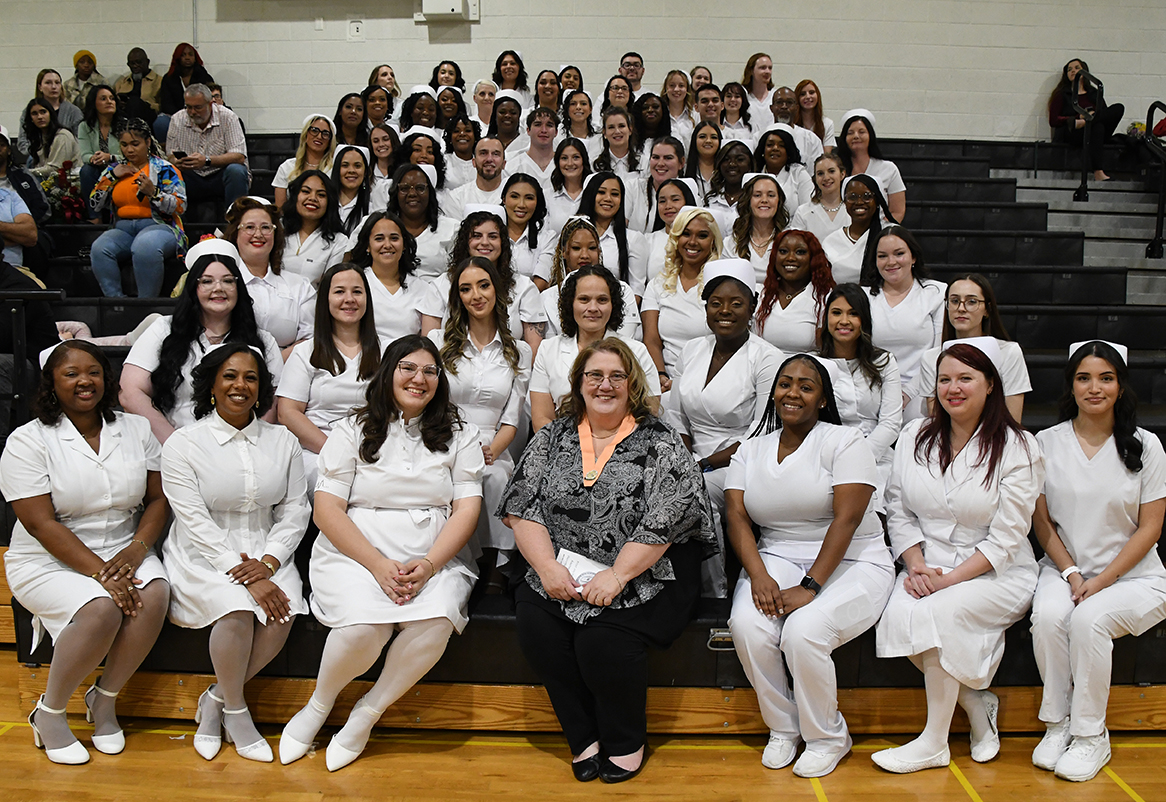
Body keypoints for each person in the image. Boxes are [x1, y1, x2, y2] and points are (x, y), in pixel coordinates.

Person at [499, 337, 716, 784]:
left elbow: (668, 518)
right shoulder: (552, 436)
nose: (605, 385)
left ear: (632, 384)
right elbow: (521, 507)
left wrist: (616, 575)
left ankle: (625, 740)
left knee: (602, 642)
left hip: (646, 571)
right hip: (557, 567)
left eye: (617, 376)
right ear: (578, 382)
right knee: (539, 629)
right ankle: (582, 737)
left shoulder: (661, 440)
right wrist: (547, 569)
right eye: (595, 375)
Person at [279, 335, 484, 771]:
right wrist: (376, 565)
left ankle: (367, 713)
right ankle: (318, 706)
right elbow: (327, 509)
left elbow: (468, 507)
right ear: (388, 372)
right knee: (363, 629)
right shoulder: (351, 429)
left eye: (430, 371)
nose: (419, 378)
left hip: (432, 551)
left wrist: (430, 565)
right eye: (408, 367)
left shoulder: (460, 431)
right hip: (357, 549)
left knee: (439, 617)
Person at [873, 341, 1042, 774]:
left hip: (999, 571)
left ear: (990, 386)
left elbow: (1007, 538)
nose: (953, 388)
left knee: (938, 615)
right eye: (945, 379)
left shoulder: (1019, 446)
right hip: (927, 564)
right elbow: (898, 508)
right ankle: (975, 701)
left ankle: (934, 742)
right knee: (896, 617)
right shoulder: (914, 436)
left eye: (965, 378)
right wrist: (914, 564)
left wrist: (946, 582)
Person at [1, 341, 170, 765]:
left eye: (93, 372)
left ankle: (105, 698)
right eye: (71, 373)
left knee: (156, 593)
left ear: (106, 378)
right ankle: (51, 712)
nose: (84, 381)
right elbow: (42, 524)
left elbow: (157, 500)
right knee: (101, 608)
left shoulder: (136, 429)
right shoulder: (28, 440)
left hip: (123, 547)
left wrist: (136, 548)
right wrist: (104, 575)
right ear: (51, 383)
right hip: (47, 557)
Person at [727, 352, 893, 777]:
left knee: (803, 633)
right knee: (748, 625)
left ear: (822, 399)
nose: (792, 392)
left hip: (855, 559)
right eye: (785, 383)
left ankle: (827, 737)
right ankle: (783, 727)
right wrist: (759, 574)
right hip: (777, 555)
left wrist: (811, 586)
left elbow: (848, 519)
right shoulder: (750, 449)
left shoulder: (845, 441)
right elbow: (738, 517)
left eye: (806, 385)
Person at [161, 343, 310, 765]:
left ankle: (216, 698)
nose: (240, 385)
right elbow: (193, 521)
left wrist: (270, 562)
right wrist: (246, 574)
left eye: (250, 377)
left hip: (267, 549)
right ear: (210, 384)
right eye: (229, 376)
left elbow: (296, 508)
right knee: (236, 609)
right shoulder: (183, 444)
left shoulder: (283, 440)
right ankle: (238, 712)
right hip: (203, 552)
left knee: (283, 611)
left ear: (261, 388)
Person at [1030, 341, 1166, 782]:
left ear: (1121, 385)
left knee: (1089, 619)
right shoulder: (1044, 443)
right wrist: (1070, 571)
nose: (1095, 387)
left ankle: (1091, 736)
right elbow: (1042, 522)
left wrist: (1103, 579)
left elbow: (1150, 528)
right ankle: (1058, 723)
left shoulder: (1148, 446)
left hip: (1135, 578)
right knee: (1049, 614)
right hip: (1065, 570)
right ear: (1070, 385)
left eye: (1106, 377)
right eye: (1084, 377)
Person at [664, 258, 783, 597]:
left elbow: (762, 429)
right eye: (716, 303)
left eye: (736, 303)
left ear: (752, 307)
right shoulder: (692, 349)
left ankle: (714, 592)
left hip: (741, 461)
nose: (725, 311)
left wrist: (702, 464)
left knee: (697, 493)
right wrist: (686, 457)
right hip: (691, 457)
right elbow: (677, 415)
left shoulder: (766, 357)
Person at [429, 256, 532, 589]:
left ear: (497, 290)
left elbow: (511, 420)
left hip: (491, 444)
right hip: (442, 438)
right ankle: (448, 564)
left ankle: (491, 571)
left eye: (483, 285)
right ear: (457, 297)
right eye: (466, 288)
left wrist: (490, 451)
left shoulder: (519, 351)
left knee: (497, 475)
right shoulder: (438, 342)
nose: (476, 295)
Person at [119, 238, 283, 444]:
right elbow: (130, 392)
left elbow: (273, 402)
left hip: (242, 447)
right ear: (193, 288)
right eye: (206, 281)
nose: (218, 288)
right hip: (172, 443)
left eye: (228, 281)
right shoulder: (163, 329)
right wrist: (175, 443)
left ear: (238, 287)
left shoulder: (264, 341)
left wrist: (247, 443)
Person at [277, 262, 380, 488]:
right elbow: (287, 412)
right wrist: (335, 451)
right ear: (325, 300)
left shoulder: (388, 351)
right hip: (318, 452)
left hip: (375, 450)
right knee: (341, 485)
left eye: (357, 292)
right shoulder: (305, 352)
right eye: (339, 292)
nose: (349, 299)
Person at [531, 264, 658, 431]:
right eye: (584, 299)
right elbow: (541, 418)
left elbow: (649, 413)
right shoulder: (548, 349)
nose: (593, 308)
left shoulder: (637, 351)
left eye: (602, 300)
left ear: (614, 304)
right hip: (561, 449)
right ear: (571, 304)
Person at [817, 284, 902, 503]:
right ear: (826, 319)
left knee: (883, 502)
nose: (844, 321)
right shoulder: (814, 364)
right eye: (836, 313)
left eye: (853, 313)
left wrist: (859, 457)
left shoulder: (884, 362)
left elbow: (891, 424)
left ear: (864, 319)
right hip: (824, 456)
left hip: (877, 456)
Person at [910, 273, 1030, 423]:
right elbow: (937, 419)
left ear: (987, 309)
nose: (961, 308)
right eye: (954, 301)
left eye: (971, 301)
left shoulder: (1009, 352)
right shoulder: (931, 358)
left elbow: (1013, 420)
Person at [88, 118, 186, 298]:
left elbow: (180, 206)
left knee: (145, 246)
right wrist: (110, 177)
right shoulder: (114, 170)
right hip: (123, 229)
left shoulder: (165, 168)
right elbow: (94, 204)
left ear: (147, 142)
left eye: (135, 144)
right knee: (99, 248)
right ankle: (116, 302)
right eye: (124, 145)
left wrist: (154, 193)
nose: (129, 150)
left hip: (159, 226)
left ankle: (145, 305)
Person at [642, 206, 723, 386]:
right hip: (664, 381)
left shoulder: (723, 286)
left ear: (713, 242)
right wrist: (661, 376)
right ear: (676, 239)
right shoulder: (657, 284)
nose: (692, 242)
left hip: (709, 380)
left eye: (702, 235)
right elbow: (651, 339)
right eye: (686, 234)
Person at [861, 226, 945, 395]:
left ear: (913, 257)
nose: (891, 262)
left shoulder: (936, 292)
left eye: (899, 254)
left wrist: (908, 392)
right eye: (882, 256)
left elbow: (939, 353)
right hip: (871, 387)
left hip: (923, 388)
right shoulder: (863, 296)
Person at [224, 196, 314, 353]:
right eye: (249, 227)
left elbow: (310, 339)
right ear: (235, 234)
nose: (258, 234)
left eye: (266, 227)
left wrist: (275, 363)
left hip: (288, 369)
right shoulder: (221, 284)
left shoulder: (300, 286)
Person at [349, 210, 443, 344]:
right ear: (367, 246)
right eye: (379, 239)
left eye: (394, 238)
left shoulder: (423, 288)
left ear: (404, 244)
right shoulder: (355, 283)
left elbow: (428, 342)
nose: (387, 245)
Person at [541, 217, 641, 340]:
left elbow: (625, 340)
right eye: (576, 248)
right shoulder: (547, 297)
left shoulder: (623, 290)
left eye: (592, 248)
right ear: (564, 252)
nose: (585, 255)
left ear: (599, 251)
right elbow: (554, 345)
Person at [166, 84, 249, 210]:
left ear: (210, 104)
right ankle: (178, 225)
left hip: (220, 175)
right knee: (171, 172)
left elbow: (239, 156)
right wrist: (177, 162)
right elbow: (170, 155)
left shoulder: (228, 117)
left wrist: (206, 160)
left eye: (198, 107)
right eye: (188, 107)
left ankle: (236, 220)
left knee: (236, 171)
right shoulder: (177, 119)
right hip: (192, 175)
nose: (192, 112)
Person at [755, 229, 835, 353]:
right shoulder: (761, 294)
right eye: (783, 251)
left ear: (812, 259)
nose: (790, 258)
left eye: (800, 252)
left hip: (807, 368)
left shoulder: (825, 298)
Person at [1048, 59, 1124, 182]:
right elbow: (1053, 120)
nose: (1073, 71)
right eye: (1069, 69)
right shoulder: (1062, 94)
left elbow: (1104, 114)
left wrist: (1088, 119)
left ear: (1084, 72)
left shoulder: (1093, 93)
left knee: (1118, 108)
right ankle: (1098, 172)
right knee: (1097, 126)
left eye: (1077, 68)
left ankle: (1090, 121)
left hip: (1093, 132)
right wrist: (1077, 118)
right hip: (1074, 132)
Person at [576, 172, 648, 299]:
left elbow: (636, 292)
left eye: (615, 194)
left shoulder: (633, 239)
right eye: (601, 192)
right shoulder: (571, 235)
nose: (608, 198)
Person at [386, 163, 457, 281]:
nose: (412, 194)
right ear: (395, 193)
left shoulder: (452, 228)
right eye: (404, 188)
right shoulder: (379, 226)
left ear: (430, 193)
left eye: (420, 188)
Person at [280, 170, 349, 288]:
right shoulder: (278, 229)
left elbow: (330, 286)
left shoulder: (339, 241)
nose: (312, 198)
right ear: (295, 196)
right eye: (306, 191)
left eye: (321, 195)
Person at [821, 174, 893, 284]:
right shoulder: (831, 241)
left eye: (867, 196)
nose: (859, 202)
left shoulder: (892, 235)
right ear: (844, 202)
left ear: (877, 200)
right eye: (852, 197)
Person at [836, 110, 906, 223]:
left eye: (861, 132)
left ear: (870, 135)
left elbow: (897, 211)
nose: (856, 136)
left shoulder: (889, 169)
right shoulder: (836, 169)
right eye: (850, 133)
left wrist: (882, 233)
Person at [728, 173, 788, 282]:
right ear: (748, 200)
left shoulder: (789, 239)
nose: (764, 200)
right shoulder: (730, 243)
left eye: (771, 195)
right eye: (757, 195)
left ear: (779, 201)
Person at [0, 127, 45, 270]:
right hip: (14, 234)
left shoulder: (22, 177)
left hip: (29, 230)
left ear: (8, 149)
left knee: (36, 247)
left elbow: (42, 207)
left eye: (1, 145)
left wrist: (21, 226)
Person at [78, 85, 124, 216]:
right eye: (103, 99)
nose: (109, 102)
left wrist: (110, 157)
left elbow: (130, 156)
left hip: (119, 167)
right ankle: (94, 217)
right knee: (86, 171)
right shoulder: (85, 126)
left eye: (112, 98)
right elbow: (85, 154)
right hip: (97, 168)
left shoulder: (125, 124)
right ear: (94, 103)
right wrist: (93, 158)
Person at [502, 174, 555, 287]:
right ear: (504, 199)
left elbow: (540, 283)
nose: (521, 205)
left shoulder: (547, 239)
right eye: (514, 196)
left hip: (531, 301)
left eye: (529, 198)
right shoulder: (489, 236)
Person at [272, 115, 336, 208]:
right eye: (314, 130)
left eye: (325, 133)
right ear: (306, 134)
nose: (319, 136)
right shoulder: (286, 167)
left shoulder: (335, 168)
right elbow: (280, 209)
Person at [627, 137, 685, 235]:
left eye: (668, 158)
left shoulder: (689, 191)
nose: (660, 163)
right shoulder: (632, 187)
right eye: (655, 157)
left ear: (681, 163)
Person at [17, 70, 83, 156]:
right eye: (48, 83)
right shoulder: (29, 111)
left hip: (67, 159)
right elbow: (23, 141)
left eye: (57, 83)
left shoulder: (73, 111)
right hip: (36, 159)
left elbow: (80, 140)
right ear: (40, 87)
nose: (53, 86)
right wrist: (38, 154)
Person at [754, 125, 813, 220]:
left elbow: (808, 209)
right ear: (763, 150)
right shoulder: (754, 173)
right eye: (770, 145)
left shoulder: (799, 173)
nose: (775, 148)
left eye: (781, 146)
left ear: (789, 152)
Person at [645, 177, 699, 279]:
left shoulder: (699, 240)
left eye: (675, 200)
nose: (668, 206)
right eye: (662, 201)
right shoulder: (648, 240)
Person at [790, 152, 849, 244]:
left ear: (842, 174)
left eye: (831, 171)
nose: (826, 178)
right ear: (815, 179)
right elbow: (796, 245)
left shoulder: (851, 210)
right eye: (820, 173)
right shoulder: (803, 212)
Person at [444, 135, 506, 220]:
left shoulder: (514, 196)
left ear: (504, 164)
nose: (489, 159)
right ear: (473, 162)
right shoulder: (456, 198)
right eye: (483, 153)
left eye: (496, 154)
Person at [23, 97, 81, 180]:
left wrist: (27, 172)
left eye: (43, 112)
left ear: (50, 113)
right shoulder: (39, 136)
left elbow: (55, 169)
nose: (39, 117)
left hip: (68, 182)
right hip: (48, 179)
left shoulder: (62, 135)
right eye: (34, 113)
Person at [768, 87, 824, 164]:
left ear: (797, 108)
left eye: (789, 103)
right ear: (771, 108)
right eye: (779, 102)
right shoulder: (759, 137)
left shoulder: (812, 140)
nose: (784, 106)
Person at [705, 140, 754, 227]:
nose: (732, 164)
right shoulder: (709, 200)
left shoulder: (756, 199)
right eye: (726, 159)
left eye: (740, 159)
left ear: (750, 165)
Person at [546, 137, 590, 232]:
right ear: (557, 162)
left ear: (584, 160)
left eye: (576, 157)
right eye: (564, 158)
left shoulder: (595, 195)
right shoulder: (547, 196)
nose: (570, 163)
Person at [508, 108, 558, 191]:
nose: (544, 130)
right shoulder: (513, 166)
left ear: (556, 132)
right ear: (528, 130)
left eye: (549, 125)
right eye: (538, 125)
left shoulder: (564, 165)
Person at [112, 49, 163, 125]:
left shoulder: (159, 81)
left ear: (147, 62)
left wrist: (147, 105)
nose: (135, 66)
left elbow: (163, 107)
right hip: (124, 114)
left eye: (139, 62)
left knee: (134, 102)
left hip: (148, 116)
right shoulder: (121, 83)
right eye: (132, 63)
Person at [332, 144, 373, 237]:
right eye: (345, 165)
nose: (351, 170)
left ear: (365, 172)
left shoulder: (371, 210)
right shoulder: (324, 204)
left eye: (357, 166)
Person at [593, 107, 640, 179]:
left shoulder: (643, 162)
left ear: (630, 130)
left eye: (621, 126)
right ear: (604, 133)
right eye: (611, 127)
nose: (617, 131)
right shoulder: (596, 165)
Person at [684, 121, 722, 200]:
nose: (708, 141)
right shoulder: (684, 170)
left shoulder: (726, 170)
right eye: (702, 137)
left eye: (714, 137)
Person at [795, 80, 835, 152]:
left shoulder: (828, 124)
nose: (807, 96)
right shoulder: (792, 124)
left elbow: (826, 155)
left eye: (811, 92)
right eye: (803, 94)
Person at [443, 113, 480, 190]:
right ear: (450, 138)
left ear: (475, 137)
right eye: (456, 131)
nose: (462, 134)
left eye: (468, 130)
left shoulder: (482, 162)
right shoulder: (443, 162)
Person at [741, 53, 775, 133]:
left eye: (770, 68)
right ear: (751, 71)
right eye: (762, 68)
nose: (767, 71)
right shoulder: (743, 96)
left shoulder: (775, 96)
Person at [662, 70, 696, 146]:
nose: (676, 89)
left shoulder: (695, 116)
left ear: (687, 89)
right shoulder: (660, 115)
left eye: (681, 86)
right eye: (672, 85)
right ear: (666, 89)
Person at [720, 82, 755, 147]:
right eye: (728, 96)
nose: (733, 99)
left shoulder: (752, 126)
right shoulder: (717, 125)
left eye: (737, 96)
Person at [369, 122, 399, 186]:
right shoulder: (366, 173)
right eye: (376, 141)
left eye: (386, 139)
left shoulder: (404, 170)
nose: (381, 144)